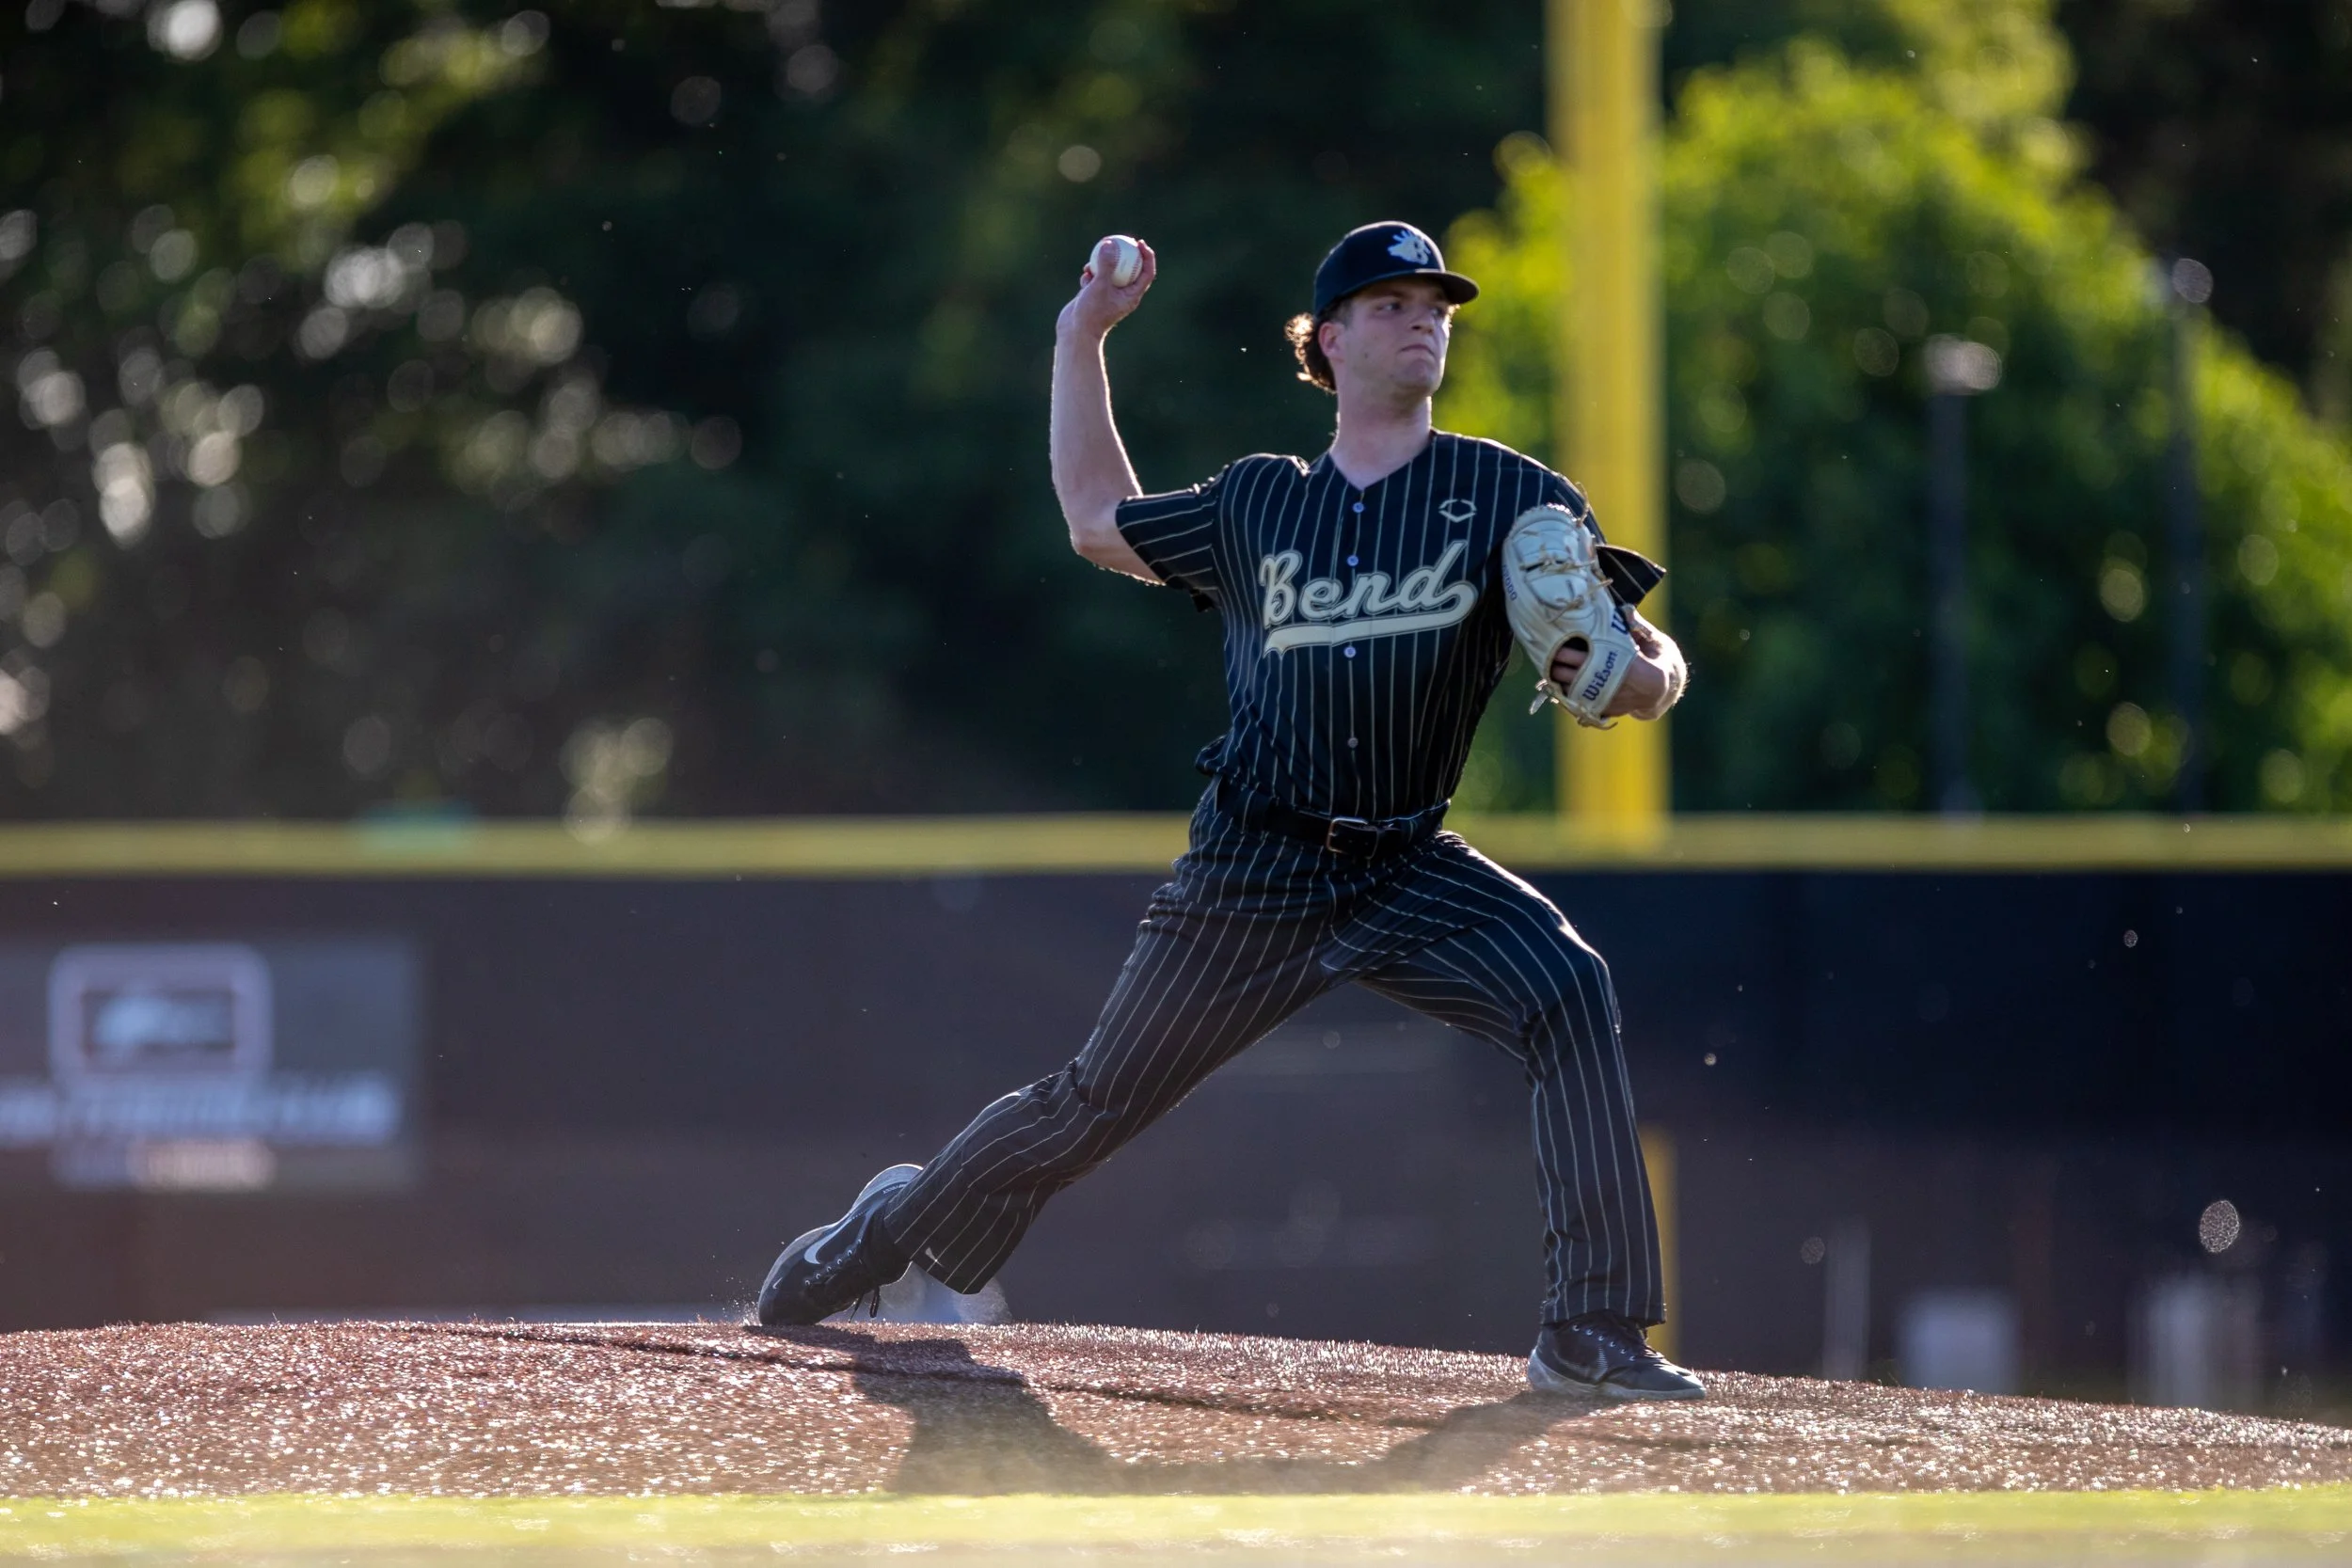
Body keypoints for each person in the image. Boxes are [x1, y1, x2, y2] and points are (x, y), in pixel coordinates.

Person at [756, 221, 1701, 1400]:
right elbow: (1094, 518)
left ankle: (1590, 1328)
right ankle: (886, 1229)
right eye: (1391, 302)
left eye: (1435, 306)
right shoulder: (1260, 502)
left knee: (1568, 986)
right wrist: (1080, 336)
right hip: (1253, 866)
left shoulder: (1511, 494)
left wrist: (1640, 676)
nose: (1423, 320)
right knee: (1088, 1109)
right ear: (1329, 340)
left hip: (1407, 861)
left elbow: (1637, 651)